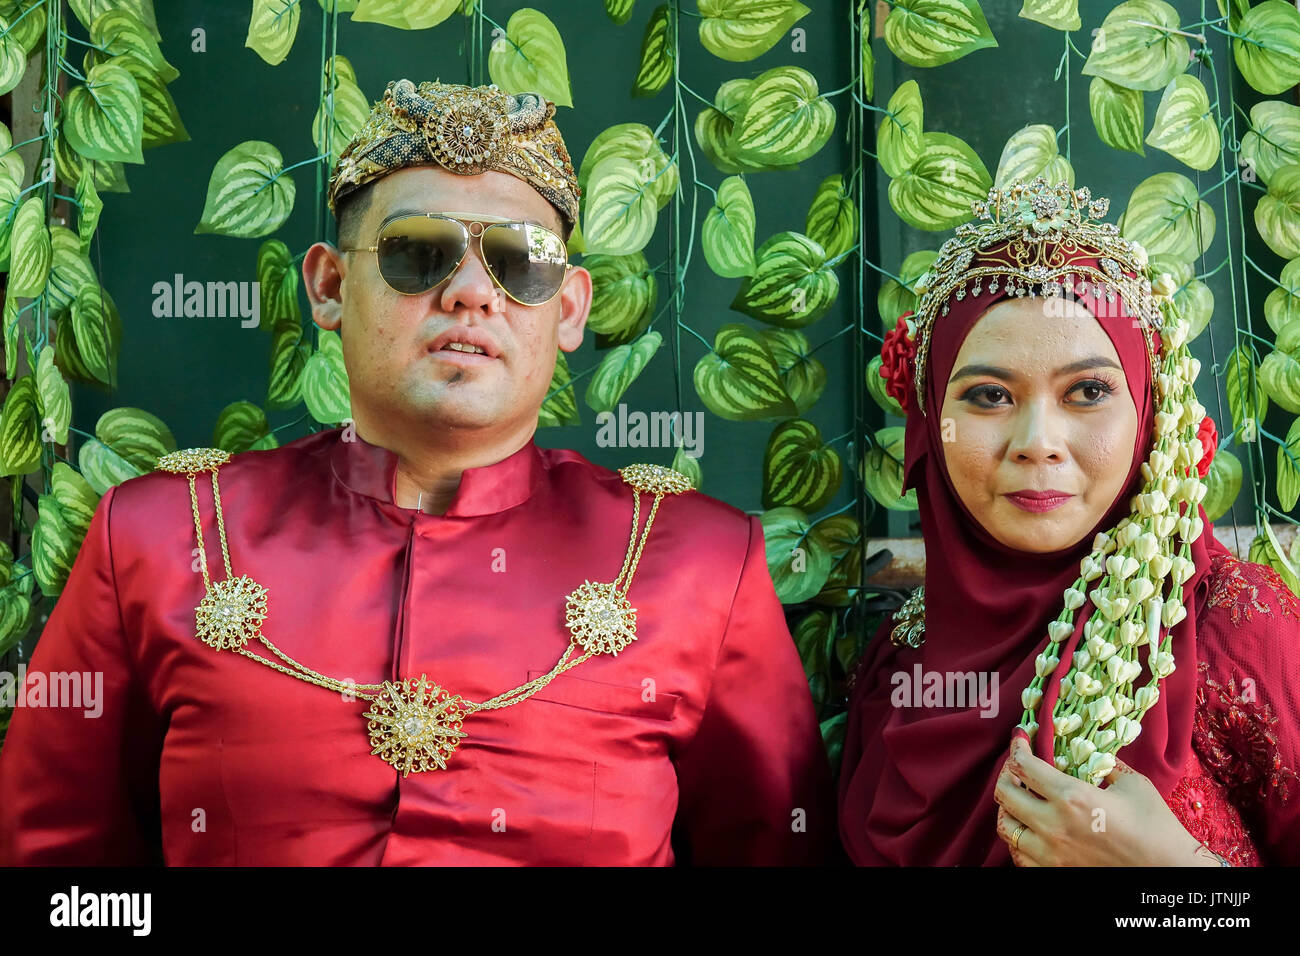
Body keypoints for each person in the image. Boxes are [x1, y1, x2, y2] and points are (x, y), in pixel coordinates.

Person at [0, 79, 834, 866]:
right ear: (329, 286)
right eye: (417, 252)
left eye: (522, 260)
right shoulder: (159, 538)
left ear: (570, 308)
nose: (472, 292)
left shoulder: (698, 564)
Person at [839, 177, 1300, 866]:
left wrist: (1168, 871)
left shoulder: (1235, 633)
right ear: (932, 427)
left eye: (1087, 392)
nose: (1037, 440)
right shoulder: (902, 662)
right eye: (990, 396)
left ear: (1148, 417)